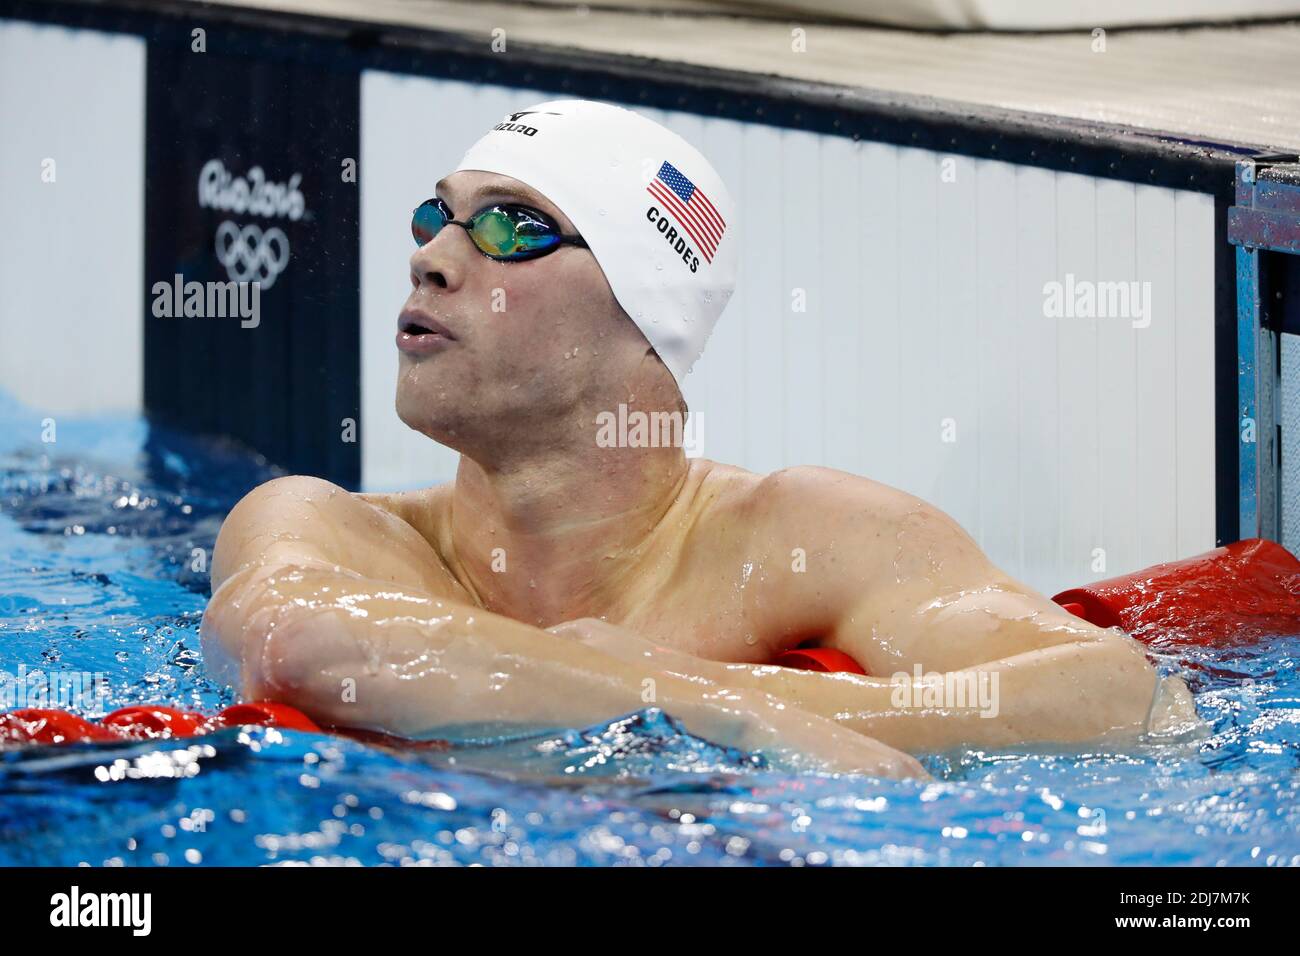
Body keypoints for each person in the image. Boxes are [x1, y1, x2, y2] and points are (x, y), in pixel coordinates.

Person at [201, 100, 1197, 779]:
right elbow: (303, 642)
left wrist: (694, 688)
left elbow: (1120, 694)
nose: (431, 256)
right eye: (438, 215)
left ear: (647, 318)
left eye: (509, 229)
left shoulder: (801, 535)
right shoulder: (324, 522)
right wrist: (731, 714)